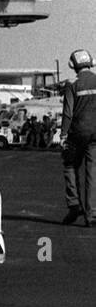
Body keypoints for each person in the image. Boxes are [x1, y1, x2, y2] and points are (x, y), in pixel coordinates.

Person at [61, 49, 96, 227]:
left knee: (69, 165)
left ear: (73, 65)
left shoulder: (72, 84)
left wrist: (63, 135)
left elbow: (68, 113)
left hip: (77, 134)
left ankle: (74, 205)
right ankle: (92, 216)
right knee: (92, 172)